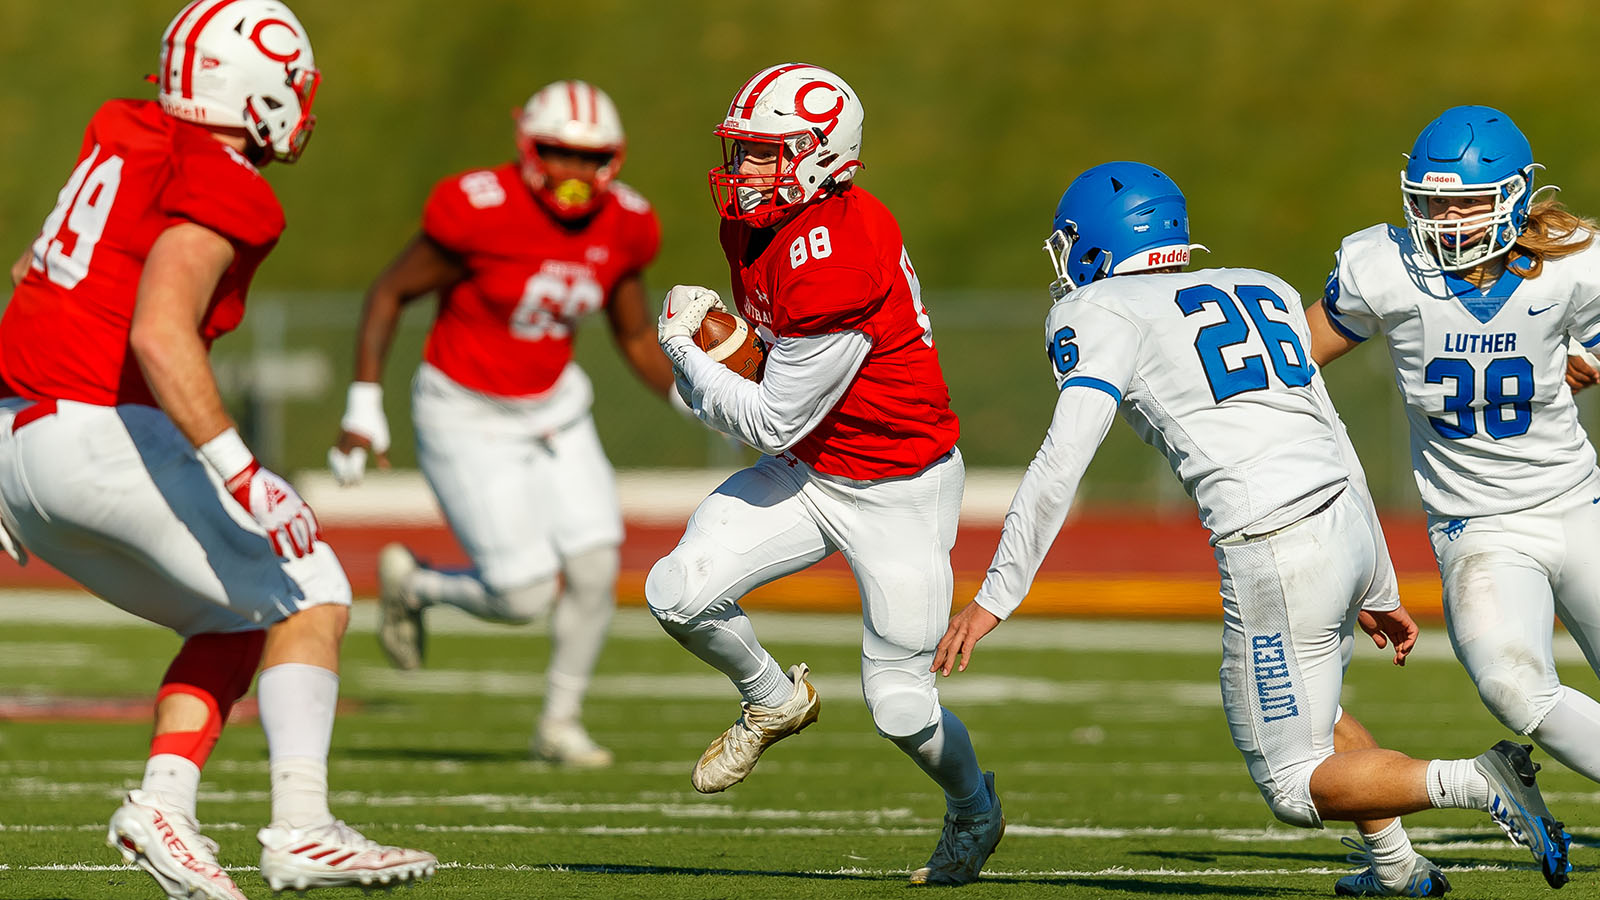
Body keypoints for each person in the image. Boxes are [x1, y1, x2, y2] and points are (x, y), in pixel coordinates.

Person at [932, 161, 1573, 896]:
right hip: (1340, 516)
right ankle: (1396, 869)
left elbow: (1060, 462)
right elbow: (1330, 430)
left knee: (1294, 785)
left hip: (1274, 543)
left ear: (1097, 242)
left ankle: (1476, 780)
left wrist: (995, 596)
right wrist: (1380, 577)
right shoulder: (1261, 285)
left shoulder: (1101, 307)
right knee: (1317, 712)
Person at [0, 3, 436, 898]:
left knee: (238, 615)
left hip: (16, 436)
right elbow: (162, 335)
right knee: (312, 586)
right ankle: (304, 828)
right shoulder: (227, 180)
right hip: (94, 427)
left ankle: (164, 802)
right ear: (259, 86)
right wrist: (244, 472)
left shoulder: (122, 129)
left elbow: (32, 278)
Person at [646, 63, 1003, 886]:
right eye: (742, 153)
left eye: (765, 155)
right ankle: (774, 698)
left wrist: (685, 357)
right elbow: (777, 373)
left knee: (903, 710)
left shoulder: (842, 251)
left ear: (819, 157)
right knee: (677, 593)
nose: (742, 174)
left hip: (898, 487)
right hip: (812, 469)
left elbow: (773, 414)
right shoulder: (755, 225)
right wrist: (725, 355)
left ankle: (974, 809)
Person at [327, 80, 674, 768]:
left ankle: (560, 721)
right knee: (522, 595)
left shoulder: (627, 222)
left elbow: (634, 335)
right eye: (558, 153)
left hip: (555, 408)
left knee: (597, 565)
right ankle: (419, 584)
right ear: (528, 146)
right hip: (467, 411)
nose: (574, 173)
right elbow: (391, 291)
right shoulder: (479, 209)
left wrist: (708, 401)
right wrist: (364, 403)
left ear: (614, 157)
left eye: (590, 156)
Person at [1310, 105, 1600, 806]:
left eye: (1464, 203)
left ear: (1514, 199)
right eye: (1432, 202)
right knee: (1512, 685)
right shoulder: (1386, 267)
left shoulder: (1575, 261)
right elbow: (1295, 356)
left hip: (1577, 505)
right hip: (1477, 527)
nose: (1445, 221)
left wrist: (1586, 355)